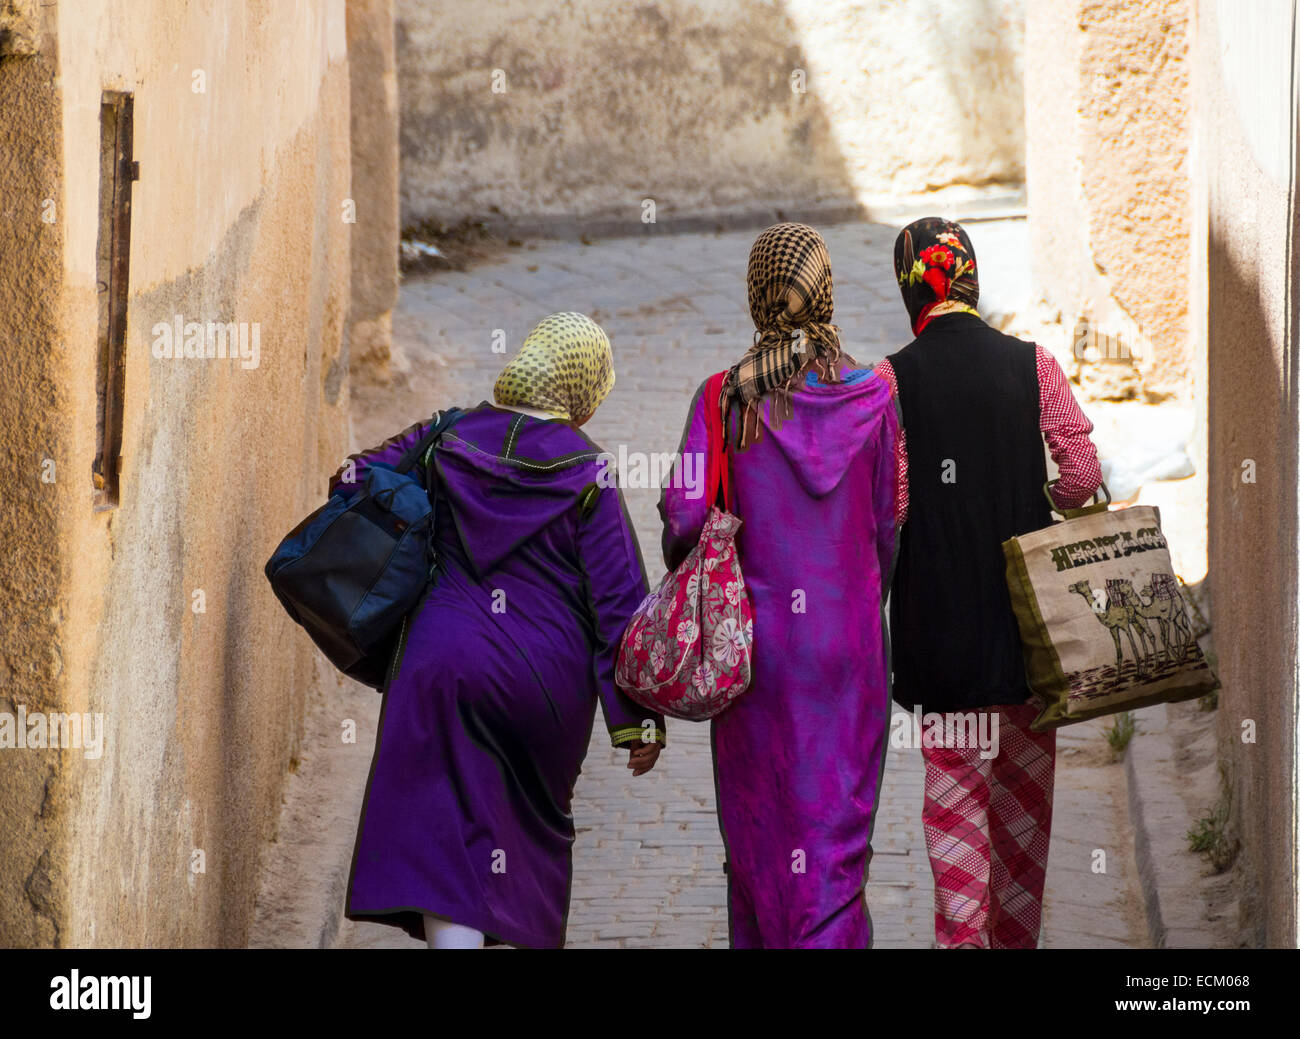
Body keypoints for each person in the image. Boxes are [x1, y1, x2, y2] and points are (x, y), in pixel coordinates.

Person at [341, 312, 665, 949]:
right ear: (580, 389)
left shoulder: (447, 434)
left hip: (438, 666)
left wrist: (418, 516)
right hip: (540, 687)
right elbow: (620, 606)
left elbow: (354, 480)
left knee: (444, 837)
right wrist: (637, 722)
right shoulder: (589, 473)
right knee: (516, 829)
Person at [659, 223, 900, 948]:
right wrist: (858, 597)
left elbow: (685, 515)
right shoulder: (875, 397)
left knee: (763, 837)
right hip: (850, 646)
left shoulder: (723, 398)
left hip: (756, 653)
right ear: (825, 289)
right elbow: (889, 525)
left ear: (758, 294)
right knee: (835, 839)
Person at [874, 217, 1103, 949]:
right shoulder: (1034, 365)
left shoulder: (890, 380)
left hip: (942, 648)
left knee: (957, 819)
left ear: (912, 286)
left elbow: (896, 505)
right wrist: (1045, 495)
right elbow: (1083, 475)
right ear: (970, 274)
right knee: (1022, 829)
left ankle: (963, 941)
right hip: (1030, 646)